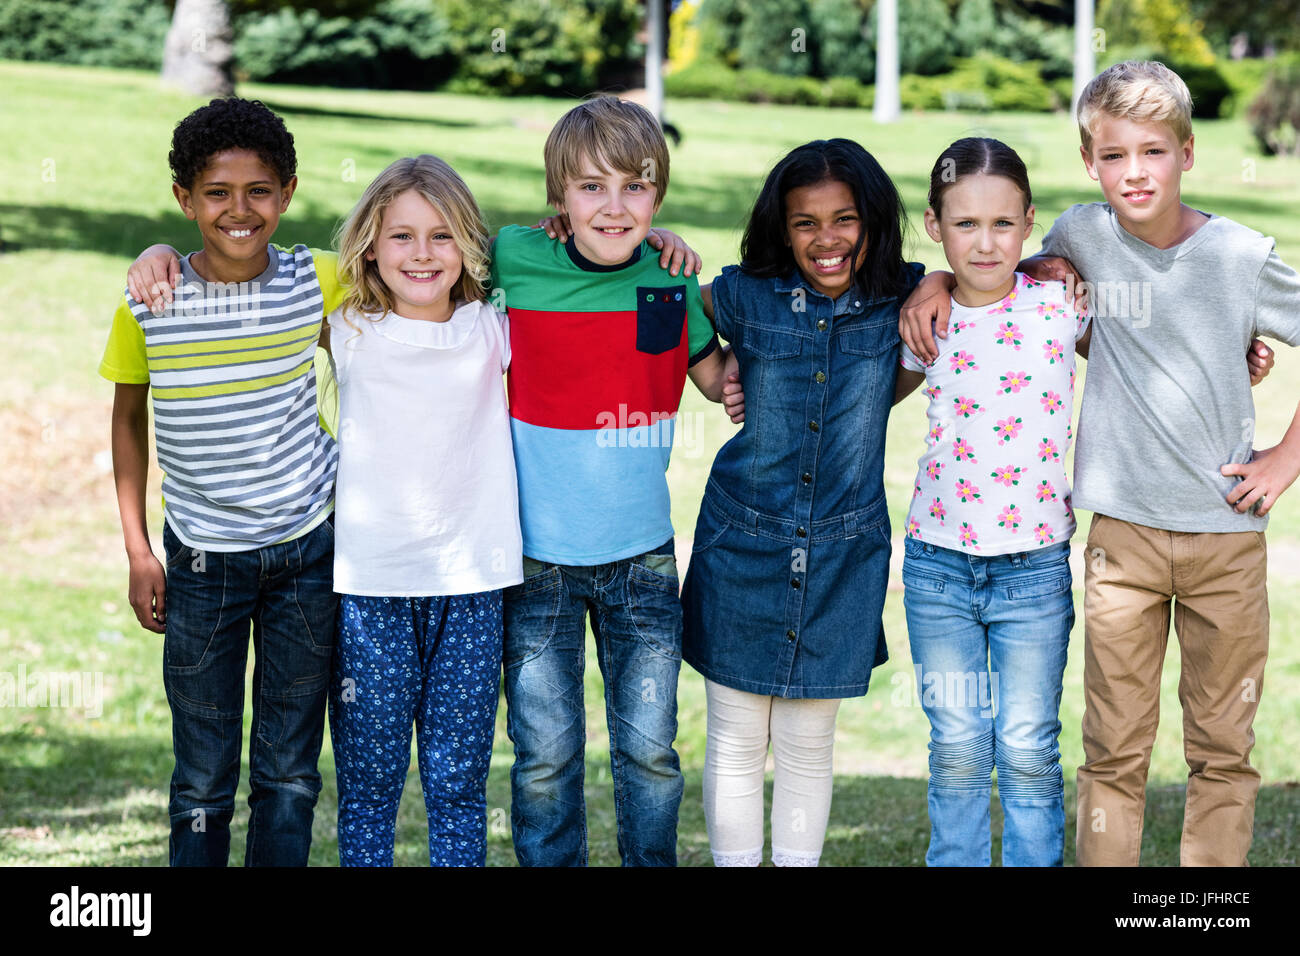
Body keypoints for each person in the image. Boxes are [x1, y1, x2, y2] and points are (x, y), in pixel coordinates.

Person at [901, 61, 1300, 867]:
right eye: (1114, 156)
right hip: (1119, 540)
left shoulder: (1241, 255)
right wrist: (934, 278)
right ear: (1091, 163)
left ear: (1187, 151)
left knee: (1222, 747)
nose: (1135, 173)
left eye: (1154, 152)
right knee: (1111, 748)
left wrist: (1286, 457)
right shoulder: (1081, 236)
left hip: (1225, 534)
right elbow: (997, 270)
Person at [492, 95, 735, 866]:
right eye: (591, 187)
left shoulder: (668, 284)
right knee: (543, 758)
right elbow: (407, 253)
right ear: (558, 198)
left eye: (635, 187)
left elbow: (715, 381)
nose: (614, 205)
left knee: (651, 755)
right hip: (535, 563)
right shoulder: (511, 259)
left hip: (642, 563)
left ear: (658, 196)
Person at [100, 97, 343, 866]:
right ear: (183, 200)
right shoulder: (149, 300)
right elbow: (128, 423)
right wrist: (141, 551)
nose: (240, 211)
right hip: (201, 564)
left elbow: (433, 266)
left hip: (309, 555)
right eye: (216, 193)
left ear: (290, 193)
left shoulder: (320, 281)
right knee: (203, 779)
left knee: (290, 775)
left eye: (260, 191)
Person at [679, 139, 924, 866]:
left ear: (873, 221)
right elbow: (677, 305)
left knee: (810, 745)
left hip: (844, 553)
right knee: (734, 738)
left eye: (845, 219)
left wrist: (939, 278)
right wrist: (717, 371)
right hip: (741, 542)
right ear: (781, 229)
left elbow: (974, 279)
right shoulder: (747, 293)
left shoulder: (901, 297)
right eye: (804, 223)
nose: (827, 239)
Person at [895, 138, 1089, 867]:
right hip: (938, 567)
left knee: (1029, 745)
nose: (985, 242)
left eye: (1004, 224)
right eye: (965, 225)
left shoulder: (1060, 307)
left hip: (1034, 571)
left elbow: (1148, 356)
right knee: (957, 742)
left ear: (1030, 223)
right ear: (935, 225)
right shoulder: (926, 322)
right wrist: (928, 282)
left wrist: (1243, 357)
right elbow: (857, 392)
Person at [323, 154, 521, 866]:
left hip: (471, 586)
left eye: (441, 235)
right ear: (370, 245)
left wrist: (666, 247)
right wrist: (164, 252)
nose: (422, 253)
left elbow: (585, 273)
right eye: (400, 236)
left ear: (468, 243)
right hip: (370, 589)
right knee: (369, 788)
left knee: (458, 783)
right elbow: (247, 259)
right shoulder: (346, 326)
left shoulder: (492, 326)